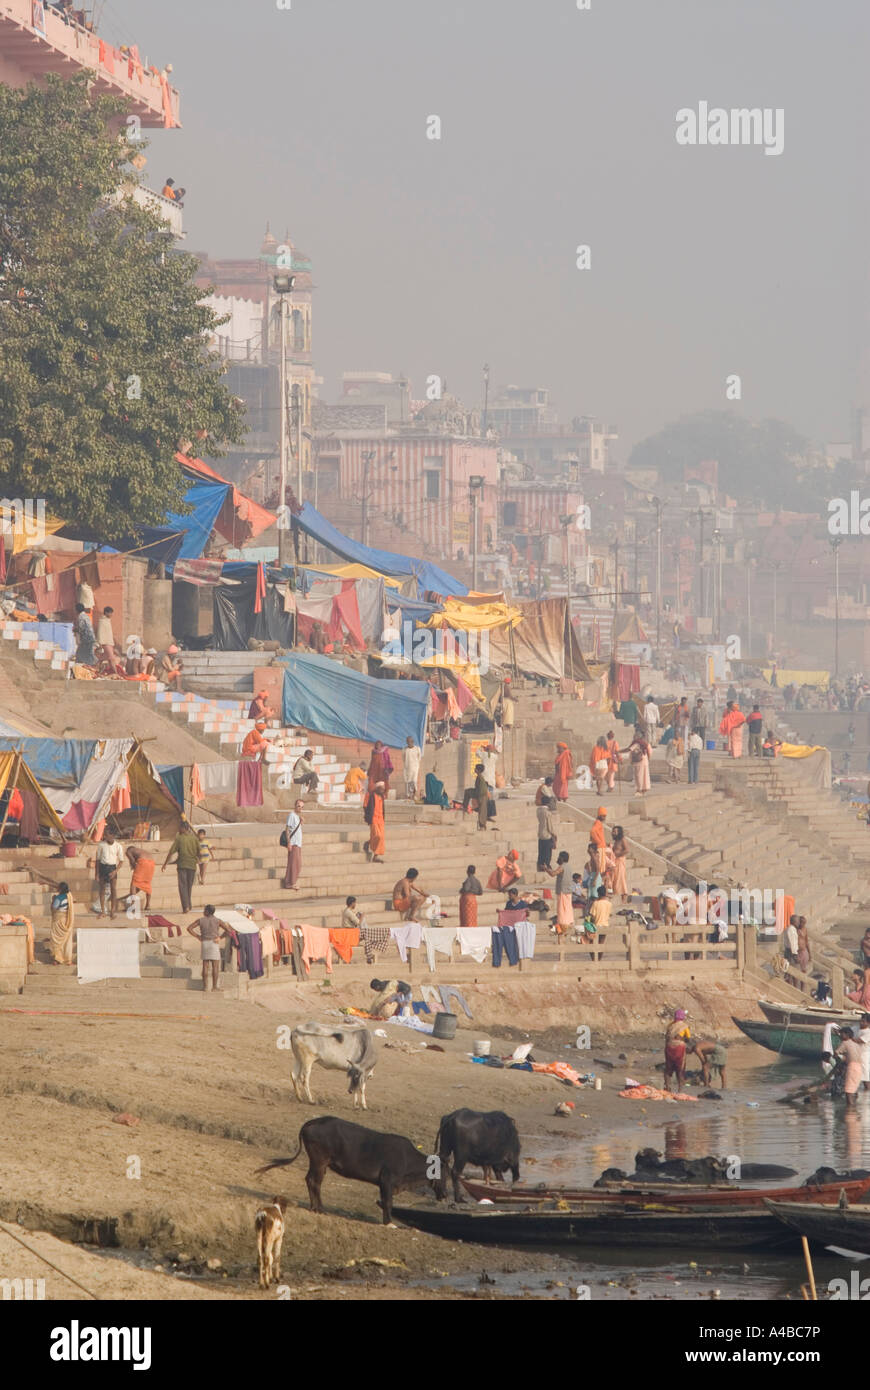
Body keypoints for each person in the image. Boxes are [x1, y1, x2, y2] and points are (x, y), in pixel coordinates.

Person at [187, 905, 231, 993]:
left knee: (205, 966)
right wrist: (220, 938)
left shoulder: (201, 920)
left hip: (205, 943)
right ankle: (214, 987)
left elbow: (189, 928)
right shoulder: (218, 921)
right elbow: (228, 930)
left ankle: (205, 987)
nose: (203, 912)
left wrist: (198, 936)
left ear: (207, 911)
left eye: (204, 910)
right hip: (214, 943)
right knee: (215, 966)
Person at [162, 818, 201, 912]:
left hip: (182, 865)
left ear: (183, 828)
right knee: (188, 887)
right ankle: (189, 905)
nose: (178, 830)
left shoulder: (179, 838)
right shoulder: (194, 838)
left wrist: (165, 864)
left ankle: (186, 907)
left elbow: (171, 852)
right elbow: (199, 852)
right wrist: (197, 860)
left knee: (183, 886)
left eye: (179, 828)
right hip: (192, 866)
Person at [93, 832, 124, 918]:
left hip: (112, 868)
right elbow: (98, 861)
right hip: (103, 867)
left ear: (113, 835)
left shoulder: (118, 846)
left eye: (109, 835)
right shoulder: (101, 845)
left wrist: (115, 871)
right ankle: (103, 911)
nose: (107, 837)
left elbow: (121, 861)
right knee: (102, 890)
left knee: (113, 890)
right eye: (106, 835)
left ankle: (112, 911)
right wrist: (96, 874)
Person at [545, 850, 574, 937]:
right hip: (568, 892)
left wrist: (546, 869)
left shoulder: (562, 867)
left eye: (559, 857)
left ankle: (563, 927)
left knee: (562, 911)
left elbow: (553, 874)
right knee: (567, 910)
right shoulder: (569, 867)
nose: (557, 859)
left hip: (563, 892)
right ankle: (566, 926)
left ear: (562, 858)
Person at [836, 1026, 864, 1107]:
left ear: (847, 1035)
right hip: (859, 1067)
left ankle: (850, 1110)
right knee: (853, 1090)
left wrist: (836, 1058)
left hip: (852, 1066)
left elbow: (836, 1053)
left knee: (848, 1091)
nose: (840, 1036)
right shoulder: (856, 1044)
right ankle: (853, 1107)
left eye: (841, 1034)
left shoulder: (845, 1043)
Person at [664, 1009, 691, 1092]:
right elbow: (688, 1038)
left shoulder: (670, 1025)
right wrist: (683, 1039)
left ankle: (668, 1087)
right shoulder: (684, 1026)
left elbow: (667, 1037)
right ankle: (680, 1090)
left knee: (668, 1068)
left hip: (669, 1047)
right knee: (680, 1069)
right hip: (679, 1048)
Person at [49, 881, 74, 965]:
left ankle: (57, 959)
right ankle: (67, 959)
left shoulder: (58, 898)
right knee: (66, 941)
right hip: (67, 921)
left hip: (58, 921)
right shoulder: (69, 896)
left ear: (59, 889)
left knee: (56, 940)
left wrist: (53, 900)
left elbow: (54, 908)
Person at [94, 606, 123, 674]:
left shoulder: (107, 620)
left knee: (103, 658)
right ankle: (116, 673)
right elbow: (100, 632)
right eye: (110, 613)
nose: (111, 615)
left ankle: (95, 670)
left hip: (109, 643)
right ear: (106, 612)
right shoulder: (102, 621)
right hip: (105, 642)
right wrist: (100, 643)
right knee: (111, 658)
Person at [282, 799, 304, 888]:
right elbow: (287, 830)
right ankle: (291, 883)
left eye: (302, 807)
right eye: (299, 806)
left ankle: (290, 882)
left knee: (296, 864)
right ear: (295, 806)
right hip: (293, 843)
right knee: (294, 864)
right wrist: (289, 843)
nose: (300, 808)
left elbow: (296, 829)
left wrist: (301, 823)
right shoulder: (291, 815)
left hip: (298, 844)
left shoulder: (297, 816)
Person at [126, 845, 155, 911]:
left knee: (134, 884)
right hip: (152, 863)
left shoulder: (128, 851)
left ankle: (132, 906)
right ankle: (148, 905)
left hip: (143, 862)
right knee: (147, 883)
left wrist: (133, 867)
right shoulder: (140, 850)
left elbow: (132, 861)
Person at [363, 781, 386, 862]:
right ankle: (368, 843)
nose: (383, 789)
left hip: (381, 820)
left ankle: (375, 856)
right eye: (382, 788)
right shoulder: (371, 795)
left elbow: (383, 809)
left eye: (384, 788)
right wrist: (368, 817)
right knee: (377, 836)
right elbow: (365, 806)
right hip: (374, 819)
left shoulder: (382, 796)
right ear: (378, 788)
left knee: (381, 838)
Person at [627, 725, 651, 794]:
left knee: (638, 776)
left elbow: (629, 749)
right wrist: (648, 759)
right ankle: (644, 789)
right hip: (645, 761)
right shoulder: (645, 743)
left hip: (638, 762)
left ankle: (639, 790)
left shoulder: (636, 743)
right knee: (645, 776)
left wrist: (619, 751)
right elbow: (649, 752)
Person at [536, 796, 558, 871]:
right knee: (547, 853)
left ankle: (540, 866)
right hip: (547, 835)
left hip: (540, 833)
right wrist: (554, 834)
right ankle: (547, 866)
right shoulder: (547, 812)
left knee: (541, 852)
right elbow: (550, 826)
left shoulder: (538, 810)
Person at [610, 824, 629, 900]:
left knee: (621, 879)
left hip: (620, 861)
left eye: (614, 831)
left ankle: (624, 897)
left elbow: (627, 850)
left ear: (619, 832)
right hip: (615, 861)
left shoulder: (623, 839)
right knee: (615, 878)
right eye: (613, 831)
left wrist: (618, 855)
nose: (613, 833)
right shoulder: (616, 841)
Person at [403, 736, 422, 801]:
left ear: (412, 742)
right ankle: (408, 796)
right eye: (407, 741)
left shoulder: (417, 749)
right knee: (407, 782)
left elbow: (419, 758)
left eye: (410, 741)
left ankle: (414, 795)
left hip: (415, 768)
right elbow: (403, 758)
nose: (408, 743)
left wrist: (416, 766)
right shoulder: (405, 749)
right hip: (407, 768)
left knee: (414, 781)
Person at [590, 806, 607, 874]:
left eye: (605, 816)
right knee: (599, 867)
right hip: (599, 847)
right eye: (603, 816)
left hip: (601, 847)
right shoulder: (598, 823)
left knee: (601, 867)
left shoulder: (598, 822)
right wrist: (598, 842)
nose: (604, 818)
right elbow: (592, 831)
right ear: (599, 815)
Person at [473, 762, 490, 830]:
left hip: (482, 796)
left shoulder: (480, 777)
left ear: (478, 770)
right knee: (481, 810)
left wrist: (478, 796)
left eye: (476, 768)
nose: (474, 769)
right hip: (482, 796)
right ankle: (482, 825)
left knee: (483, 811)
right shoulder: (479, 777)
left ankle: (482, 826)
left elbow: (482, 788)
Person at [859, 1013, 870, 1094]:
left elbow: (859, 1041)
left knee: (865, 1078)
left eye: (863, 1021)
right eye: (861, 1021)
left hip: (864, 1056)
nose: (861, 1023)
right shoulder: (855, 1028)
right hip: (855, 1055)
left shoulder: (868, 1032)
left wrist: (847, 1038)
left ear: (868, 1023)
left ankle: (867, 1094)